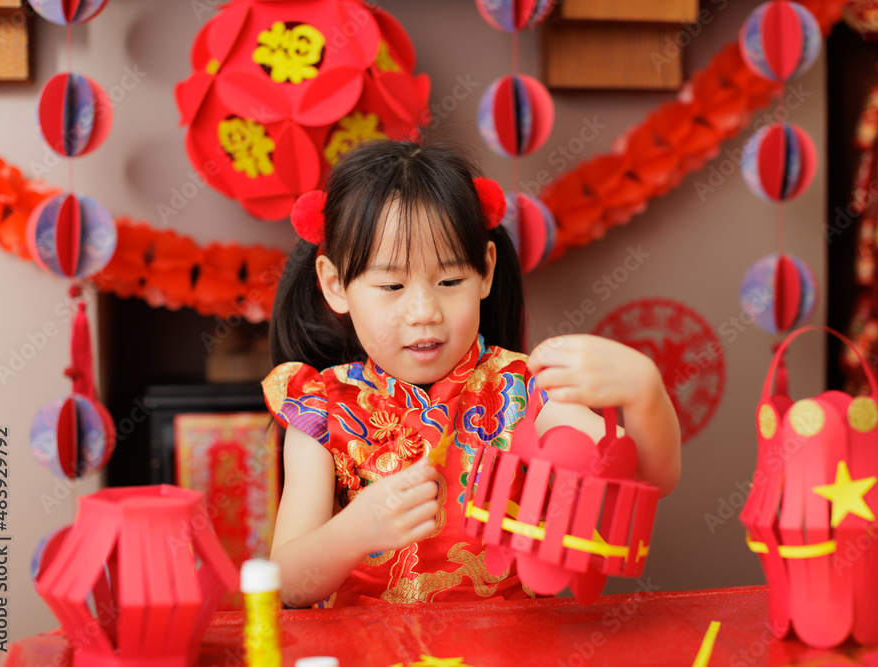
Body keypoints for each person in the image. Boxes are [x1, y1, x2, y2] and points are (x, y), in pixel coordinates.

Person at [262, 140, 680, 609]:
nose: (424, 312)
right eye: (391, 286)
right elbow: (285, 587)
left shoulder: (523, 389)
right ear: (336, 284)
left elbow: (646, 479)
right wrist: (356, 529)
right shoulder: (323, 408)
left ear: (484, 270)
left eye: (449, 282)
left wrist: (647, 393)